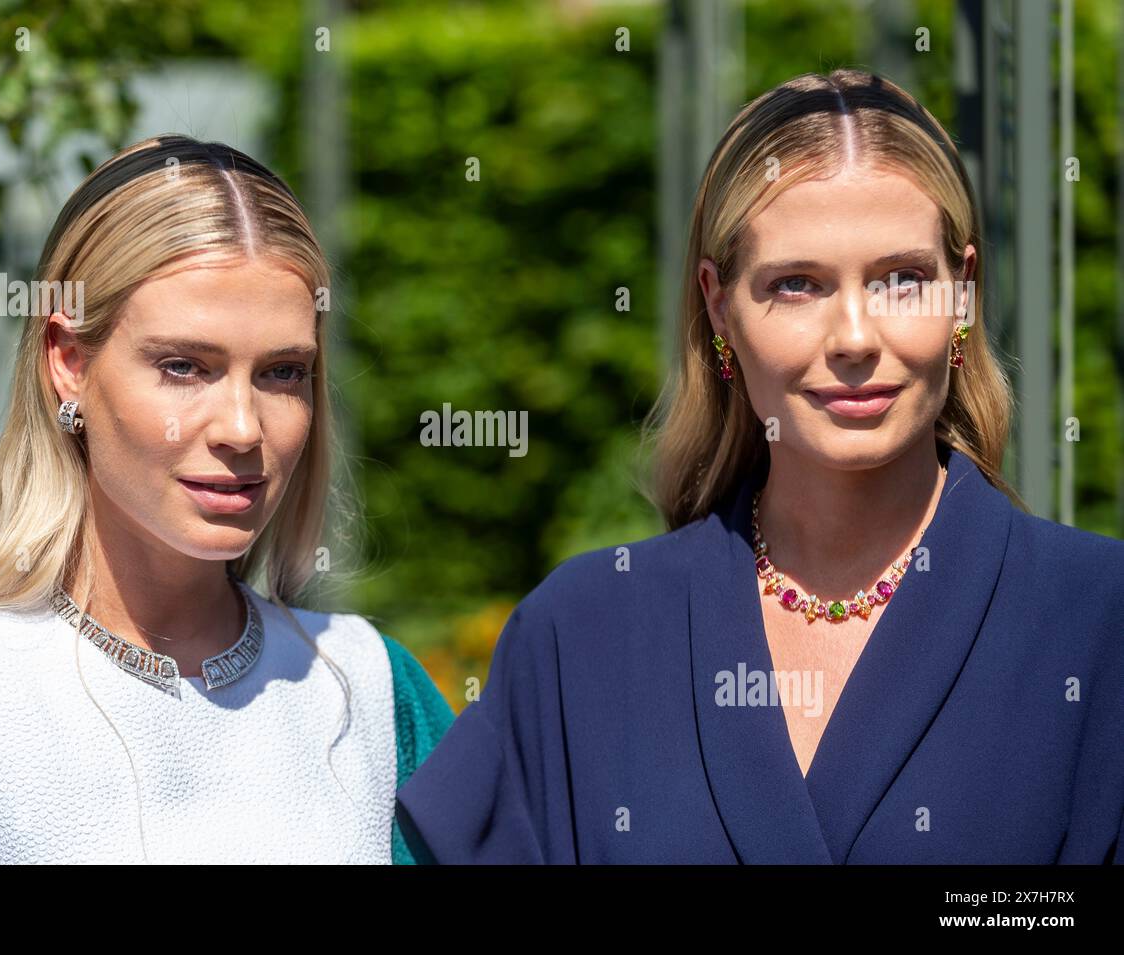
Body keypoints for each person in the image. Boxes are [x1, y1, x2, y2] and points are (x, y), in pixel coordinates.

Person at [396, 70, 1124, 864]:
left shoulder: (1097, 619)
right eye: (797, 285)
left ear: (963, 295)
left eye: (902, 279)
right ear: (718, 305)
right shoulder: (582, 635)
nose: (854, 336)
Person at [0, 134, 452, 864]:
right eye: (185, 366)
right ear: (69, 362)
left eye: (282, 372)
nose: (244, 427)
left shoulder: (370, 688)